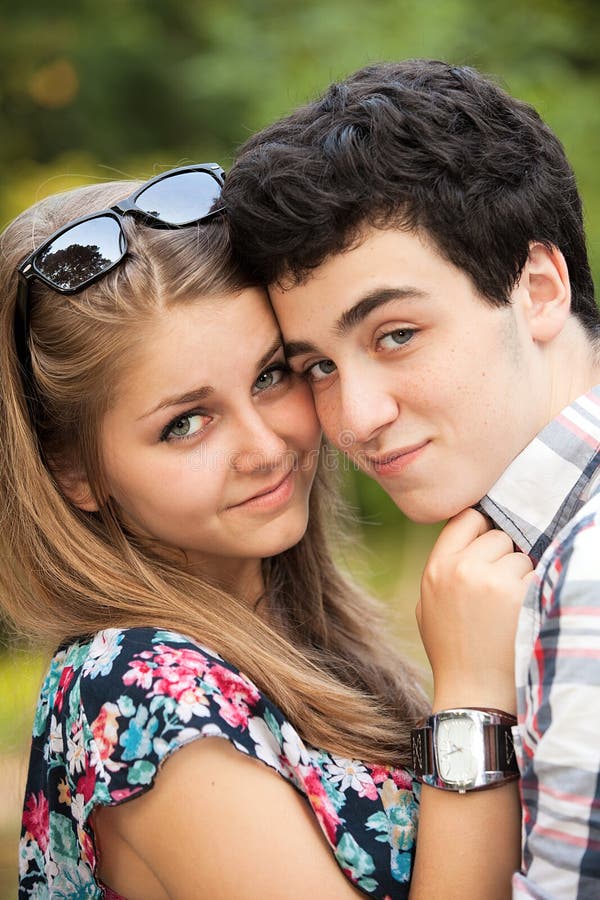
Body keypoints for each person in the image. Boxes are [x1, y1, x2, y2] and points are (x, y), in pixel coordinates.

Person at [0, 166, 530, 900]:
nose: (265, 446)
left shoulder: (287, 625)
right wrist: (473, 699)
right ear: (74, 473)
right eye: (185, 423)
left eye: (271, 377)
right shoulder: (141, 693)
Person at [222, 59, 600, 898]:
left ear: (538, 288)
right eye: (315, 365)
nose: (355, 417)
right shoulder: (531, 560)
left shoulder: (585, 574)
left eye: (395, 334)